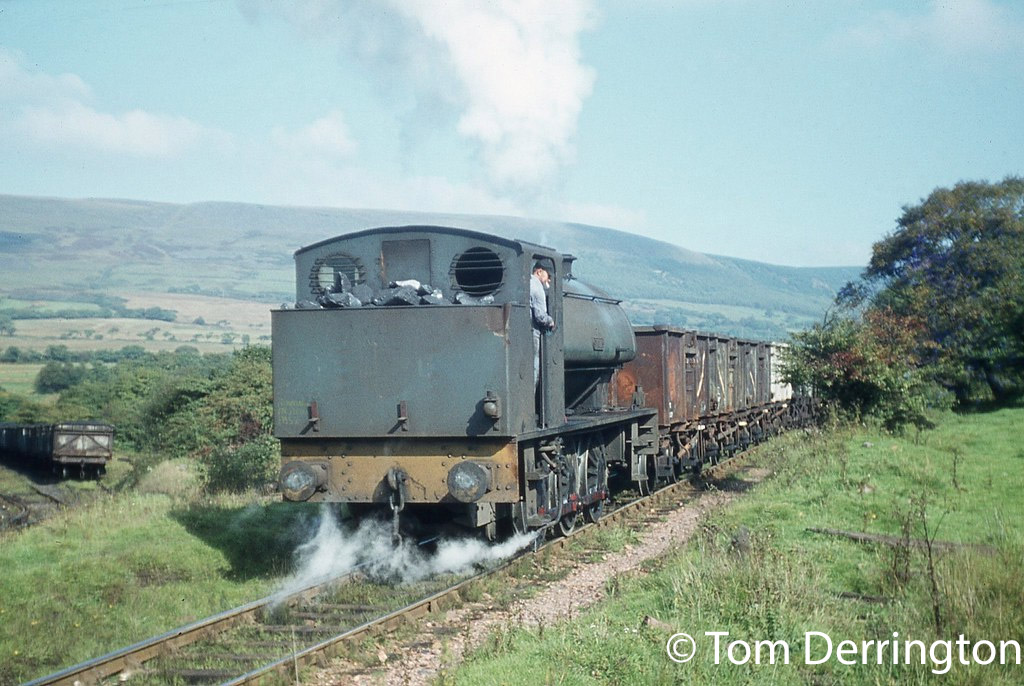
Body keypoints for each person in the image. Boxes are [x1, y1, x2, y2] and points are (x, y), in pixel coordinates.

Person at [530, 264, 555, 391]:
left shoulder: (525, 282)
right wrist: (550, 321)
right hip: (532, 333)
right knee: (534, 368)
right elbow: (540, 316)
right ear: (539, 271)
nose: (548, 280)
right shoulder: (537, 286)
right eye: (548, 276)